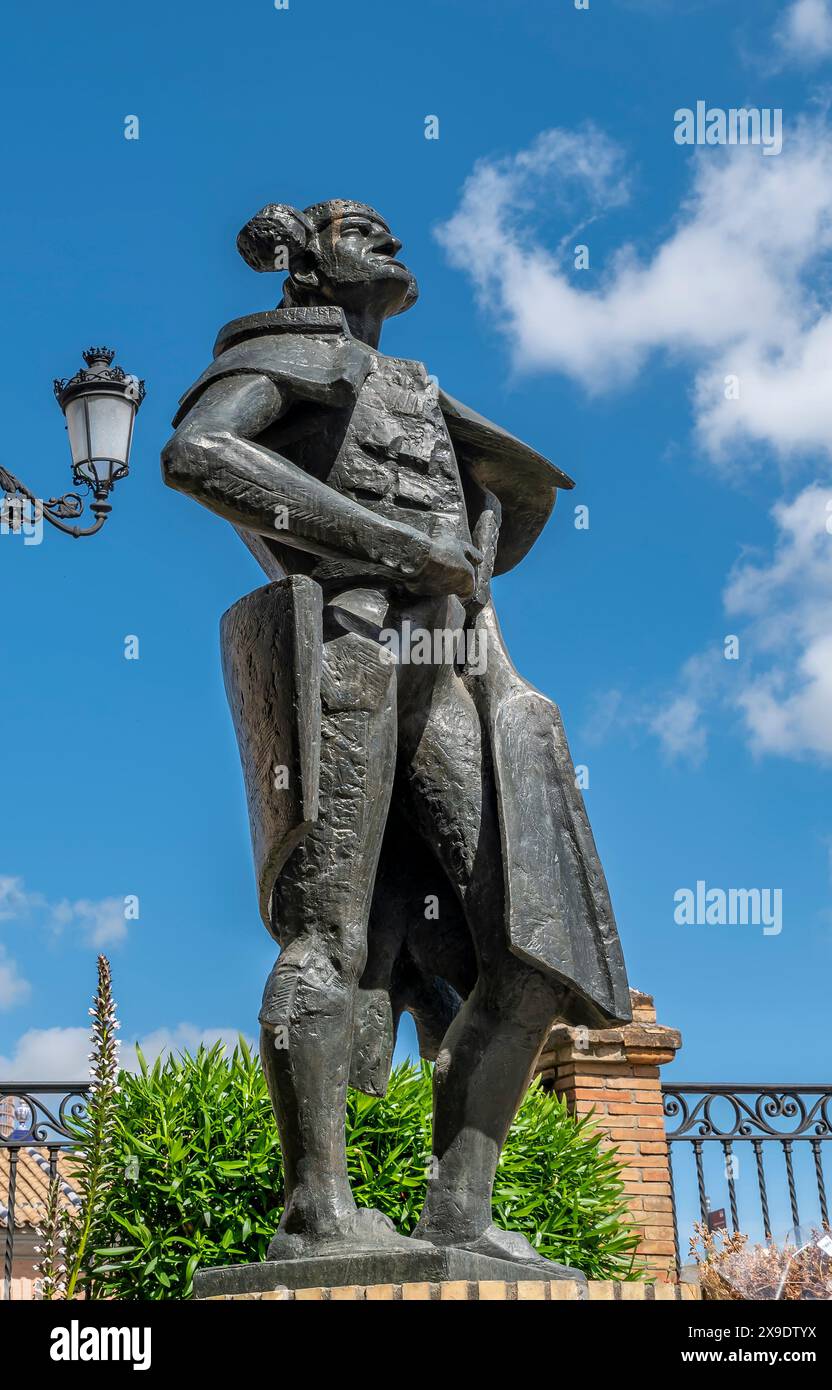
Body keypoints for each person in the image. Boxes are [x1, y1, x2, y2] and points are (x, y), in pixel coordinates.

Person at [161, 199, 631, 1269]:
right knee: (326, 935)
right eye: (355, 229)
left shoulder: (411, 384)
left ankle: (458, 1211)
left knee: (525, 950)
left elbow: (485, 520)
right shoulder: (290, 353)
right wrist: (389, 543)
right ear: (301, 261)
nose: (386, 241)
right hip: (344, 644)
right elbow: (196, 454)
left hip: (448, 668)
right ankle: (315, 1211)